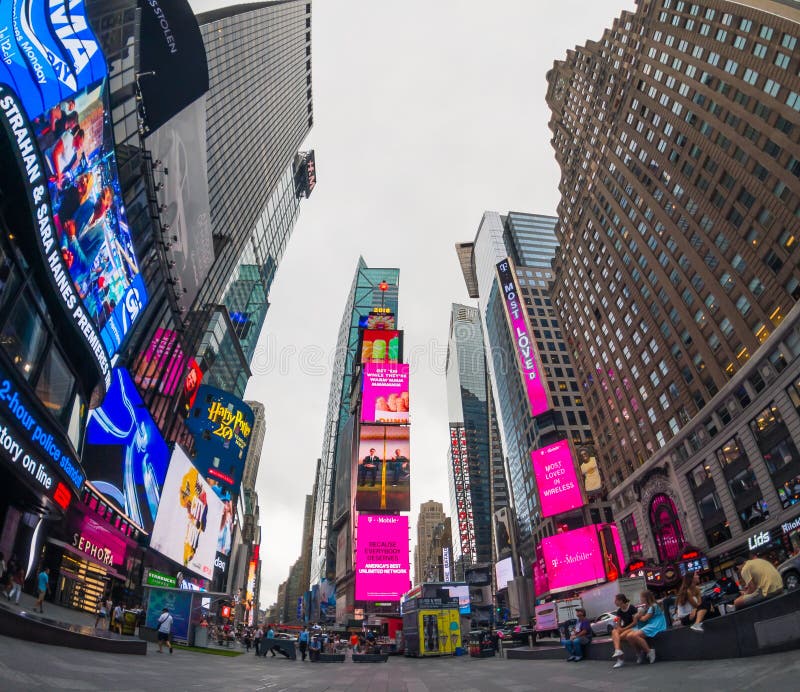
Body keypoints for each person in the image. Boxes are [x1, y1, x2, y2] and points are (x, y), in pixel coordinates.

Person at [623, 591, 666, 664]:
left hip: (656, 624)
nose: (640, 599)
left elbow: (644, 619)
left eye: (641, 597)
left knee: (635, 635)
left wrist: (637, 616)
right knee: (629, 636)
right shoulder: (647, 607)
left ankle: (649, 652)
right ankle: (639, 654)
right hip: (650, 624)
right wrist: (639, 615)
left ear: (646, 598)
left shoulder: (653, 606)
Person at [610, 593, 637, 668]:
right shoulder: (619, 611)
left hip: (633, 627)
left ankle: (620, 659)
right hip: (625, 628)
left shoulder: (631, 608)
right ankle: (618, 651)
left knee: (618, 638)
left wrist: (623, 629)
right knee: (614, 632)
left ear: (621, 601)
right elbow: (618, 624)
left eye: (616, 600)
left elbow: (635, 623)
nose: (614, 602)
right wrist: (619, 628)